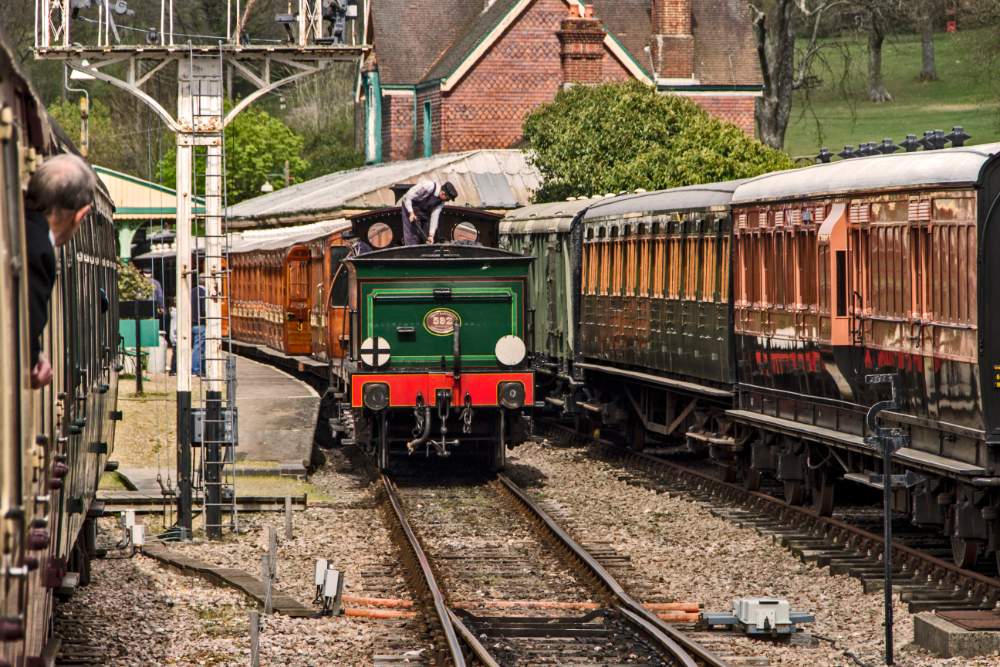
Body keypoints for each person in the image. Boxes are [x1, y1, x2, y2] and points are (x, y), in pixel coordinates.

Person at [24, 153, 97, 389]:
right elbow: (24, 328)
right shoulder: (38, 252)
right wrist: (34, 361)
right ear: (81, 214)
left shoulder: (21, 229)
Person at [400, 180, 457, 245]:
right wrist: (411, 213)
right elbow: (408, 197)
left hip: (423, 211)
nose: (447, 201)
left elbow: (435, 217)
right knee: (412, 234)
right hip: (410, 206)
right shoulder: (428, 186)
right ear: (443, 193)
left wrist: (431, 235)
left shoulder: (441, 202)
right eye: (447, 199)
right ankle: (411, 251)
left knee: (425, 235)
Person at [191, 281, 207, 377]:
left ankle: (199, 368)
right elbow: (204, 309)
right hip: (200, 323)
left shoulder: (192, 291)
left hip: (193, 323)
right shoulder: (203, 293)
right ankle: (196, 369)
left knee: (197, 346)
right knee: (199, 347)